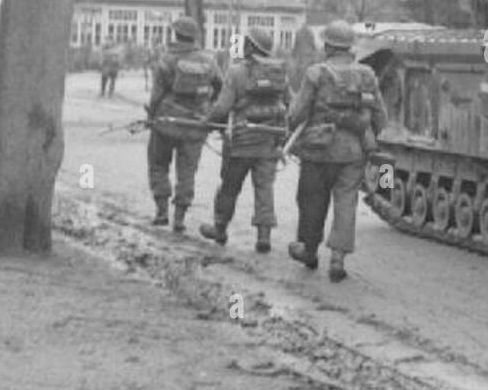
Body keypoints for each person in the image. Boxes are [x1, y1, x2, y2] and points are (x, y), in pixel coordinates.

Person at [287, 19, 387, 281]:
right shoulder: (367, 75)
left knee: (311, 199)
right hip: (353, 152)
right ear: (350, 47)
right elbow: (381, 116)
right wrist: (370, 137)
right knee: (346, 203)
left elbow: (297, 113)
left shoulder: (316, 73)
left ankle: (309, 251)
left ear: (329, 47)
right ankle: (337, 261)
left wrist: (291, 125)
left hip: (317, 150)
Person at [200, 28, 289, 253]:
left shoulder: (236, 71)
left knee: (229, 187)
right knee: (265, 188)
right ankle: (264, 237)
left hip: (241, 142)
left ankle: (220, 229)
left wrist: (207, 122)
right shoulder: (279, 72)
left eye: (246, 42)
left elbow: (222, 107)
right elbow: (289, 104)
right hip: (269, 142)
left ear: (250, 46)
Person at [145, 16, 222, 233]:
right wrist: (209, 110)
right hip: (196, 125)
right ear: (195, 36)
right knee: (187, 172)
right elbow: (220, 87)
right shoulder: (209, 61)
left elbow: (156, 94)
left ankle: (161, 212)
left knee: (158, 165)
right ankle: (179, 219)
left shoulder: (166, 59)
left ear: (176, 34)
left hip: (166, 123)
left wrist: (152, 115)